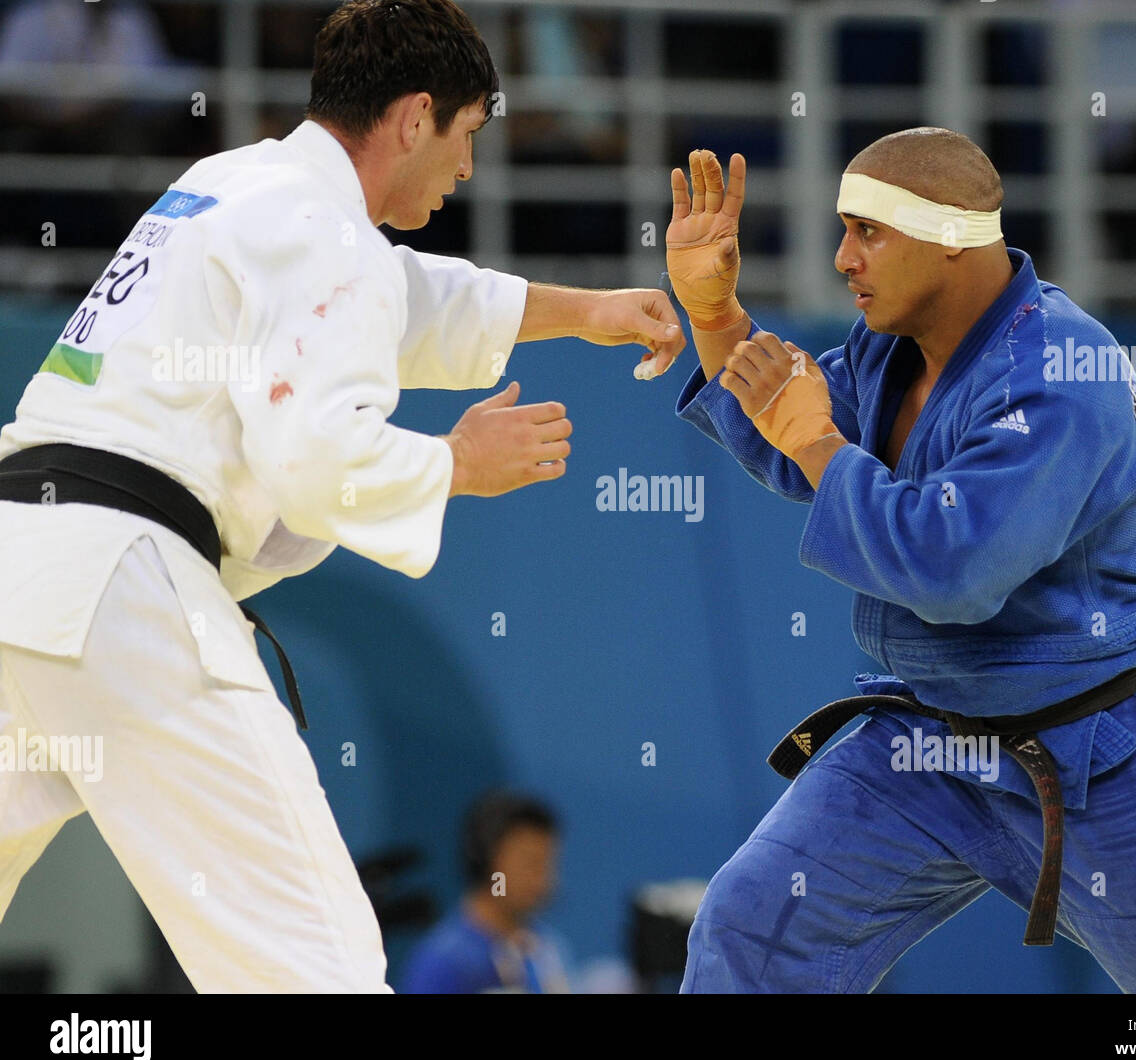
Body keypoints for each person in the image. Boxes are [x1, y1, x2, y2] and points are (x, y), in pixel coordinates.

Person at [0, 0, 684, 994]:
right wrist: (456, 464)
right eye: (466, 136)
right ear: (414, 117)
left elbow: (402, 299)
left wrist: (586, 313)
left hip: (20, 568)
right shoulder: (316, 224)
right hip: (121, 586)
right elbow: (314, 456)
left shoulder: (233, 184)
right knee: (311, 955)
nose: (468, 169)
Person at [664, 131, 1136, 994]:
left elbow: (950, 570)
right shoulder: (897, 344)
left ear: (949, 238)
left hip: (1099, 754)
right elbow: (785, 437)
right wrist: (714, 317)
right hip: (932, 739)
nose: (842, 257)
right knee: (753, 930)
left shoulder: (1063, 371)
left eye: (867, 232)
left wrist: (815, 436)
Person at [401, 791, 568, 994]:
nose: (543, 879)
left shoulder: (547, 950)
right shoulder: (444, 960)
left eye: (548, 863)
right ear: (488, 862)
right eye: (530, 863)